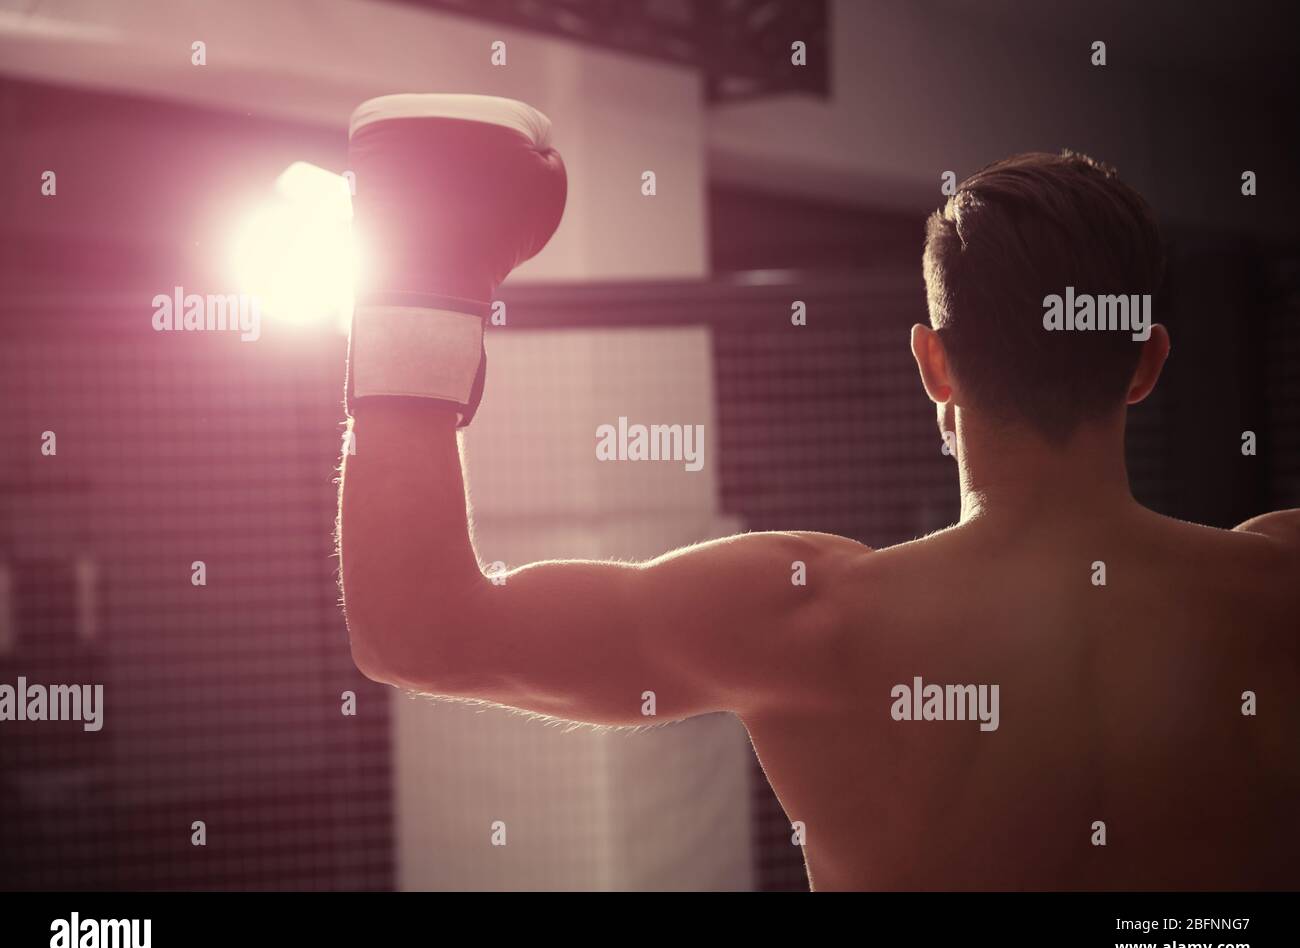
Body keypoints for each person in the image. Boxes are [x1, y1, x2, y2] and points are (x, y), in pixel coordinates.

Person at [338, 96, 1298, 890]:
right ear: (1147, 364)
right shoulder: (1277, 589)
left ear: (933, 364)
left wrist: (420, 280)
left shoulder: (809, 618)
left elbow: (415, 627)